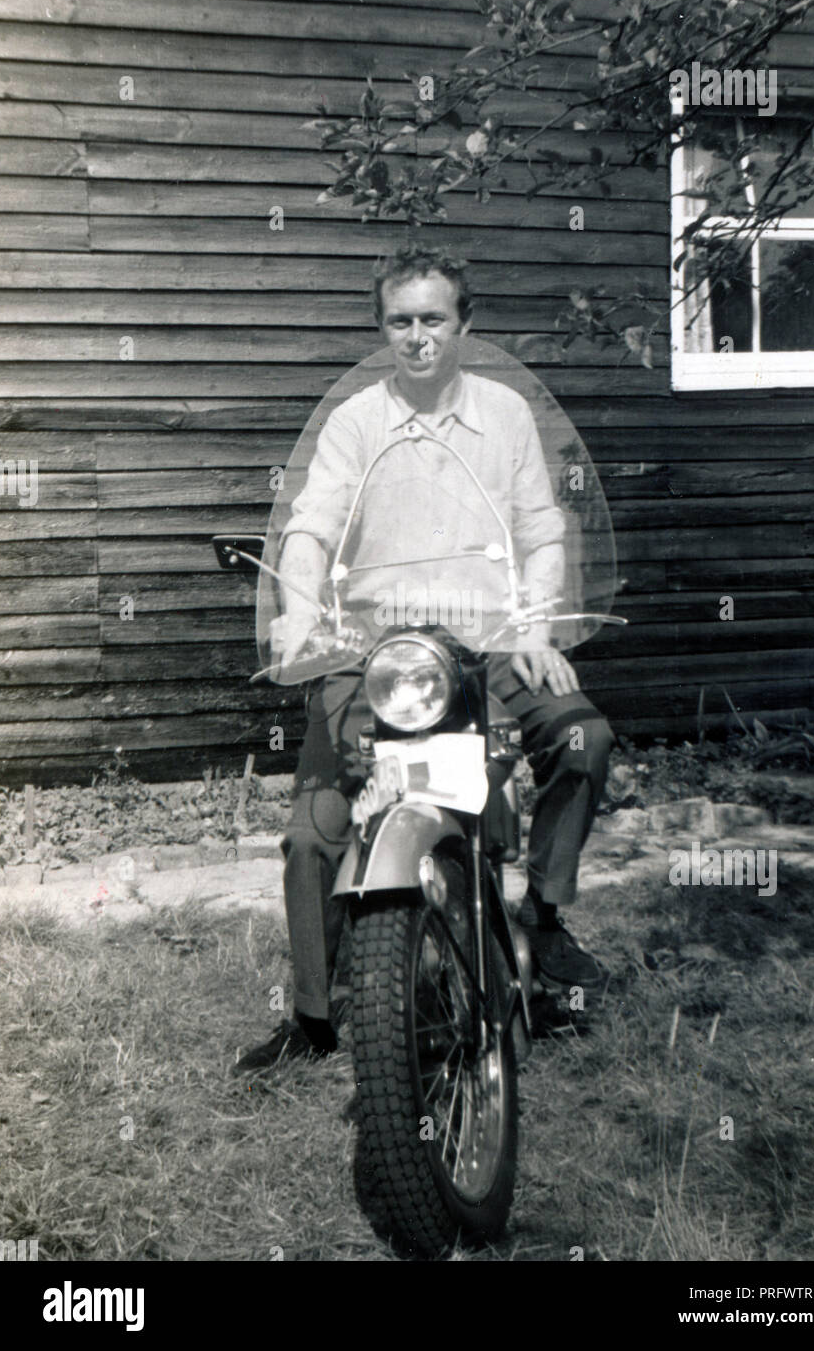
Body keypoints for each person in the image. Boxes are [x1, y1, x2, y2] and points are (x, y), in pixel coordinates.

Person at [235, 246, 614, 1071]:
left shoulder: (507, 414)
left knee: (584, 741)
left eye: (432, 319)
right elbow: (309, 528)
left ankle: (544, 923)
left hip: (489, 641)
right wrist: (301, 614)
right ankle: (312, 1015)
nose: (417, 338)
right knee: (313, 833)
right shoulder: (356, 422)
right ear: (383, 329)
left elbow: (544, 533)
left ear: (464, 325)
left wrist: (537, 627)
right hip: (377, 650)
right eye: (400, 321)